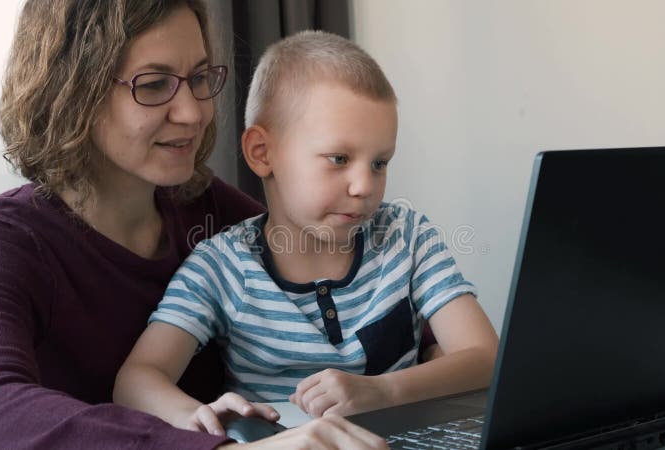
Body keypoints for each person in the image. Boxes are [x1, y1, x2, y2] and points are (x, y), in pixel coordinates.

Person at [0, 1, 388, 449]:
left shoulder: (213, 212)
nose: (193, 113)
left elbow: (391, 300)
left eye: (198, 78)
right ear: (73, 91)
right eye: (154, 85)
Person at [114, 30, 500, 433]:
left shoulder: (408, 235)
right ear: (263, 153)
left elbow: (486, 356)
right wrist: (190, 418)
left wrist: (383, 392)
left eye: (379, 163)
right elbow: (137, 378)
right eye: (339, 158)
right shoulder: (220, 267)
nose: (364, 186)